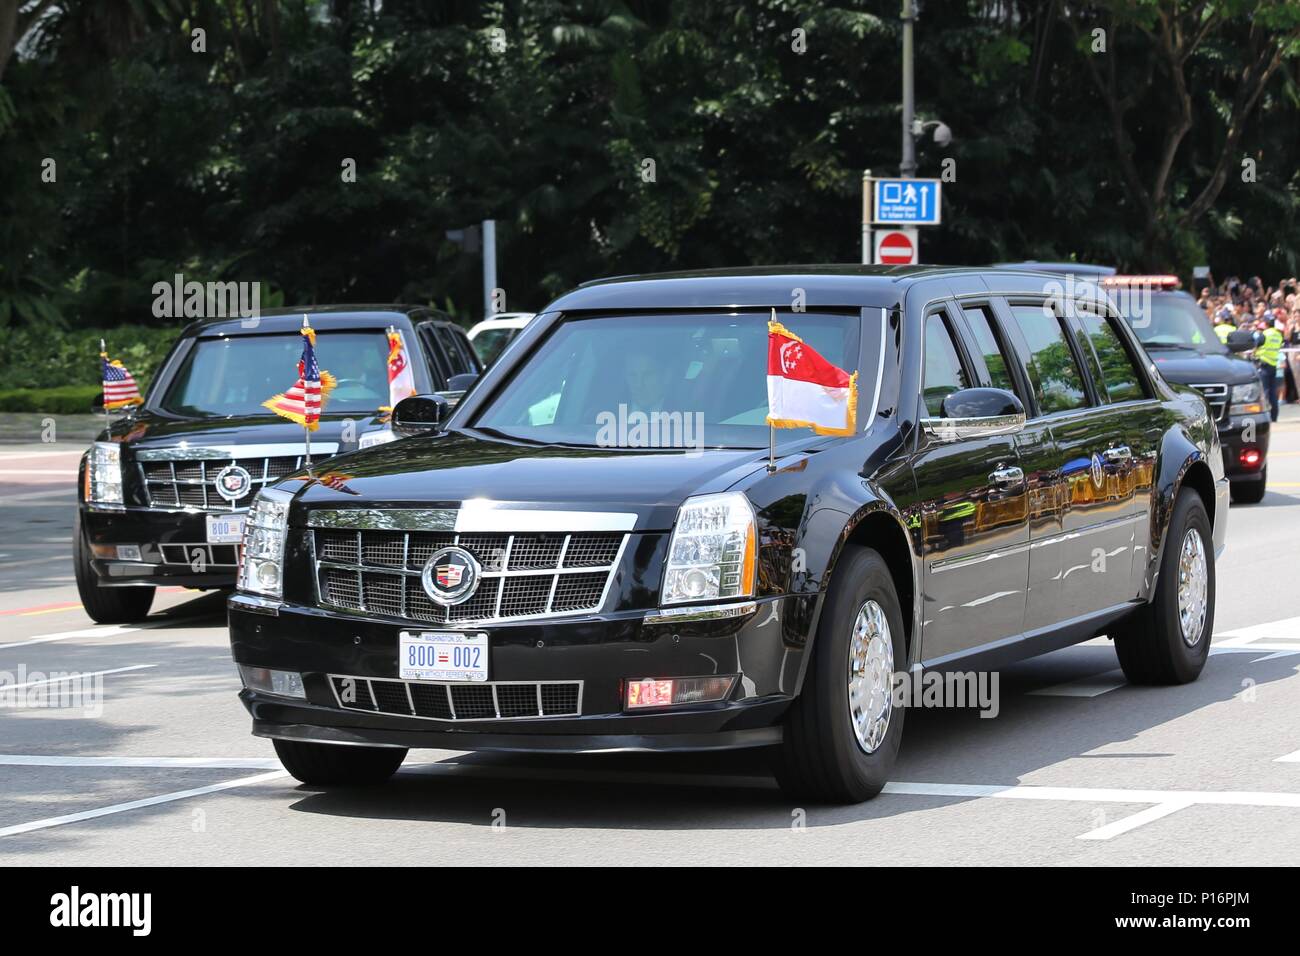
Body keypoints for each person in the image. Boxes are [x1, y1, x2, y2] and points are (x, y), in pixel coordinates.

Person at [1256, 312, 1284, 422]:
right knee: (1273, 392)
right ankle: (1274, 416)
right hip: (1273, 366)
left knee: (1264, 392)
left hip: (1264, 365)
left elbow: (1256, 345)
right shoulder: (1278, 335)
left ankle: (1263, 417)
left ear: (1266, 323)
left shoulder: (1264, 334)